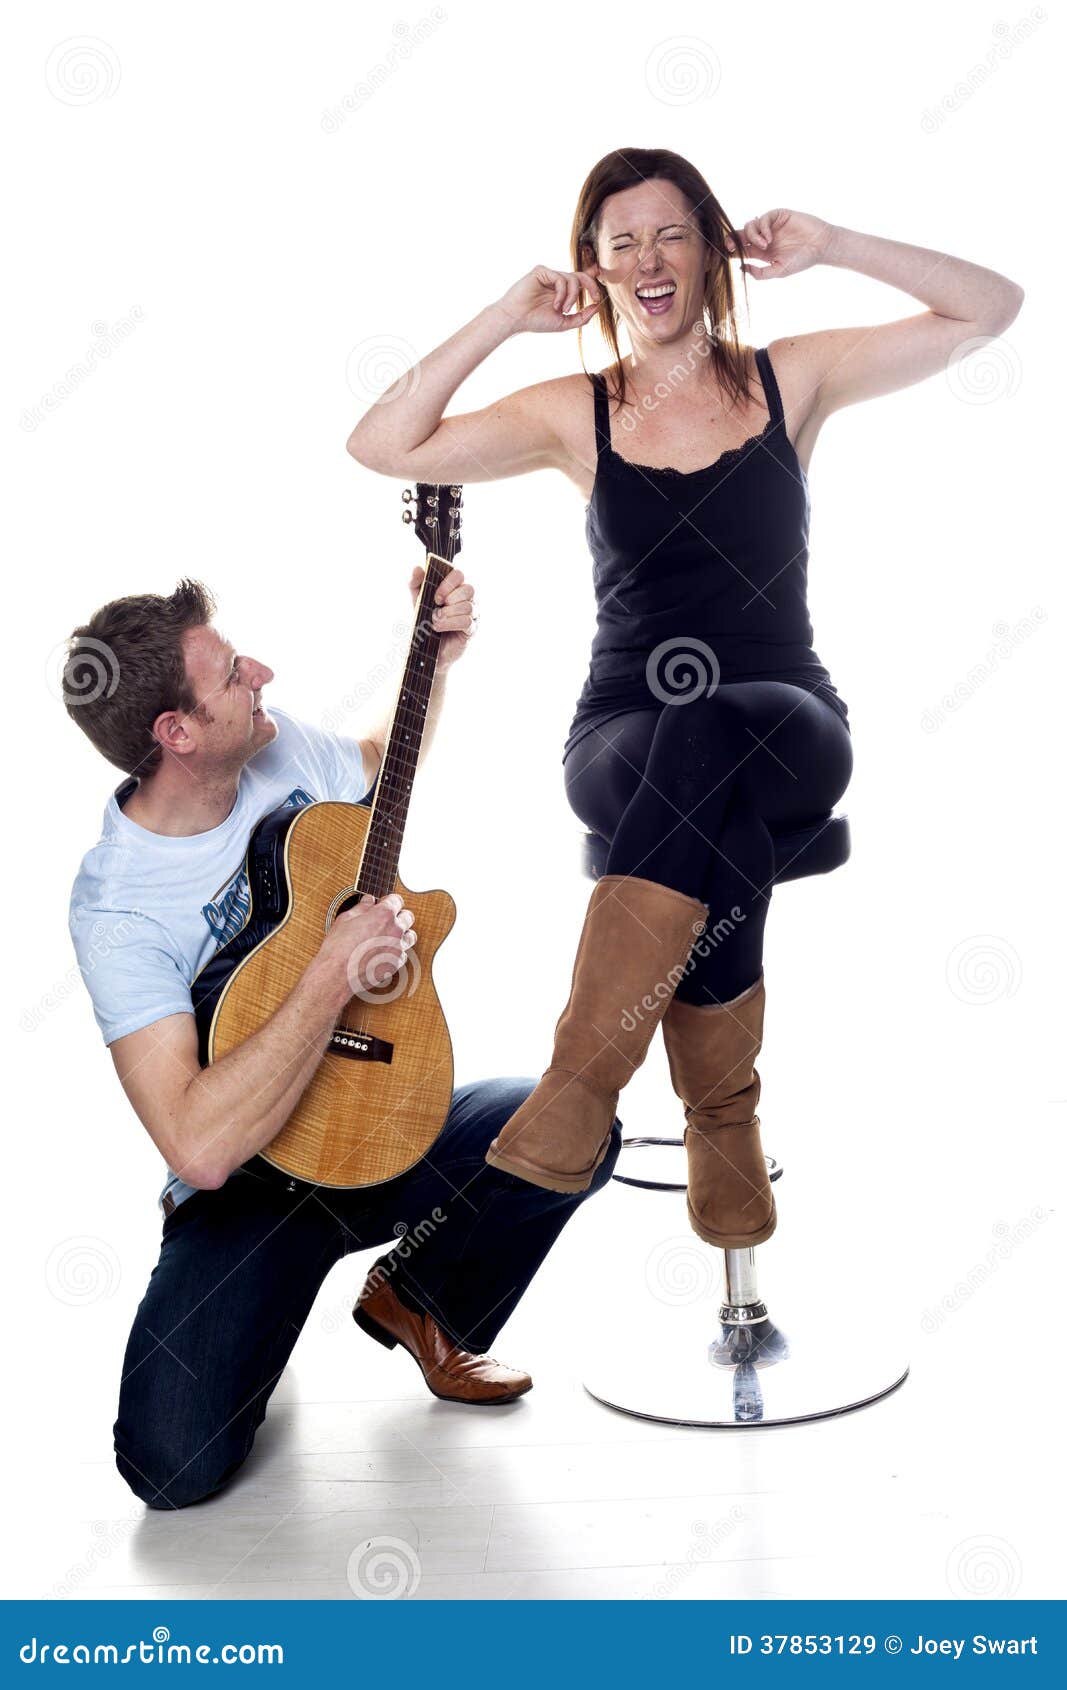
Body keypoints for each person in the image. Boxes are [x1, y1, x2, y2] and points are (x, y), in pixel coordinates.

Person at [346, 147, 1024, 1250]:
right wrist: (502, 314)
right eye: (621, 242)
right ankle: (724, 1131)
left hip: (787, 718)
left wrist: (834, 245)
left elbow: (992, 307)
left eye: (670, 233)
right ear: (595, 268)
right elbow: (381, 443)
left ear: (712, 248)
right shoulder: (576, 412)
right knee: (709, 791)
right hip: (617, 734)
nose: (648, 259)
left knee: (707, 727)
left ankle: (575, 1089)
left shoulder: (787, 379)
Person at [64, 574, 621, 1510]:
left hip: (382, 1123)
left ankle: (421, 1297)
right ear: (177, 734)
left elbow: (377, 761)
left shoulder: (277, 756)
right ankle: (253, 1320)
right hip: (253, 1186)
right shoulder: (119, 907)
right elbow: (197, 1147)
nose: (261, 673)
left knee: (572, 1123)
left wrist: (430, 661)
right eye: (232, 673)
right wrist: (331, 971)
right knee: (169, 1468)